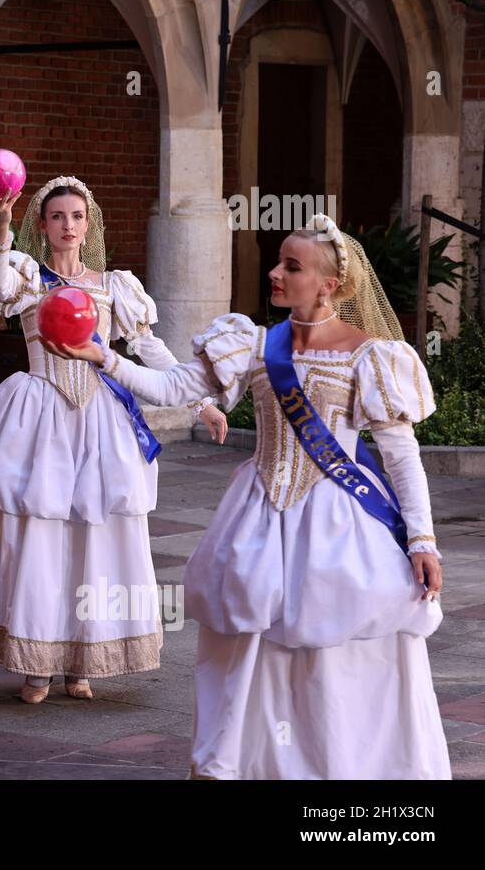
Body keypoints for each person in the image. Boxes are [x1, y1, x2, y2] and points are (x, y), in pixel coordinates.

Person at [47, 213, 450, 778]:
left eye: (292, 266)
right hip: (259, 516)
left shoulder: (371, 357)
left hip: (339, 526)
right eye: (277, 260)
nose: (275, 272)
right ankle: (246, 763)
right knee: (247, 648)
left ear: (329, 284)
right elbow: (175, 388)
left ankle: (341, 769)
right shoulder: (255, 345)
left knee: (334, 655)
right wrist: (104, 358)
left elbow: (401, 456)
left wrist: (422, 540)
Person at [0, 175, 225, 703]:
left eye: (77, 217)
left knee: (93, 536)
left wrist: (201, 401)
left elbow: (153, 352)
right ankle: (36, 663)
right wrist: (1, 228)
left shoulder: (114, 286)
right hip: (41, 417)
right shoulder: (28, 276)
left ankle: (81, 660)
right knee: (42, 535)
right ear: (43, 224)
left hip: (99, 420)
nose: (68, 226)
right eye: (58, 217)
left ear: (89, 224)